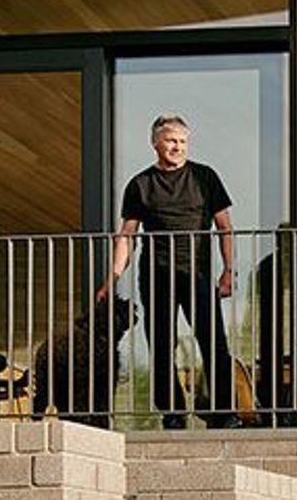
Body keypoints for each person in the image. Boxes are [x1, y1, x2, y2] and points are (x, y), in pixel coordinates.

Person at [101, 115, 238, 429]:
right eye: (171, 141)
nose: (178, 147)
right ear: (155, 143)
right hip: (156, 276)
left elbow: (225, 227)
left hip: (198, 276)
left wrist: (229, 271)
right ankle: (172, 414)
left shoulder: (205, 177)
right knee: (161, 346)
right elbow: (127, 235)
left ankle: (223, 413)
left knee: (214, 343)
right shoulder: (141, 184)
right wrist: (112, 280)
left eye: (182, 141)